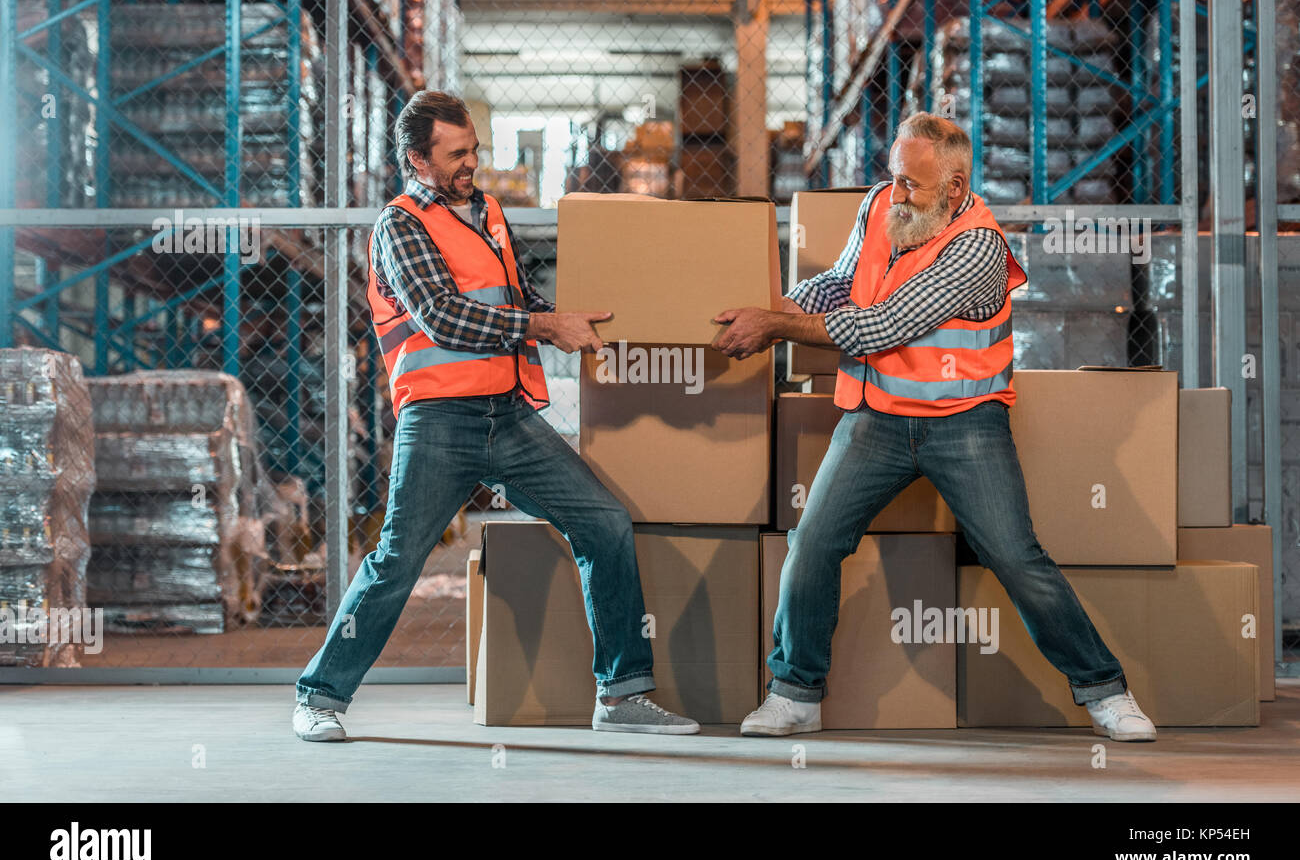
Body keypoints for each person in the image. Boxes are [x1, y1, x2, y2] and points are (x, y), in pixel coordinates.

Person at [712, 112, 1156, 742]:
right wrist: (777, 307)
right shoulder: (878, 205)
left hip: (963, 424)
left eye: (912, 186)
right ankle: (795, 695)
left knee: (1015, 556)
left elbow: (880, 326)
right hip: (877, 419)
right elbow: (844, 283)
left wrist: (774, 328)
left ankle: (1106, 691)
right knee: (812, 544)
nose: (896, 194)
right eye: (893, 178)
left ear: (954, 187)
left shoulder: (977, 246)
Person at [293, 91, 698, 741]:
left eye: (474, 150)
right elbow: (444, 316)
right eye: (457, 155)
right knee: (398, 557)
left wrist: (573, 311)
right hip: (439, 423)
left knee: (604, 523)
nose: (470, 164)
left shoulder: (486, 211)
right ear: (417, 159)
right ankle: (318, 694)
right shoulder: (400, 225)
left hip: (506, 417)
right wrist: (544, 325)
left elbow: (515, 293)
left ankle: (621, 694)